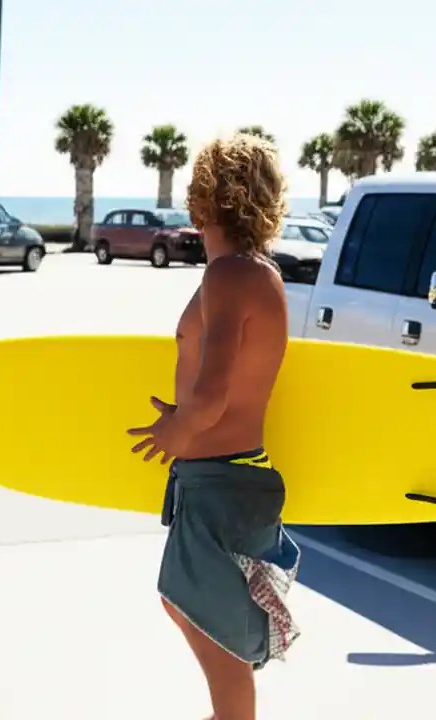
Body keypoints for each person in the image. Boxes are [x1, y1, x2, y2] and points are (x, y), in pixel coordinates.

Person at [126, 132, 301, 720]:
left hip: (223, 481)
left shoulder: (229, 276)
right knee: (191, 612)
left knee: (216, 646)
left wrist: (177, 432)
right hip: (223, 479)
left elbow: (214, 389)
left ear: (203, 202)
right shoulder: (255, 274)